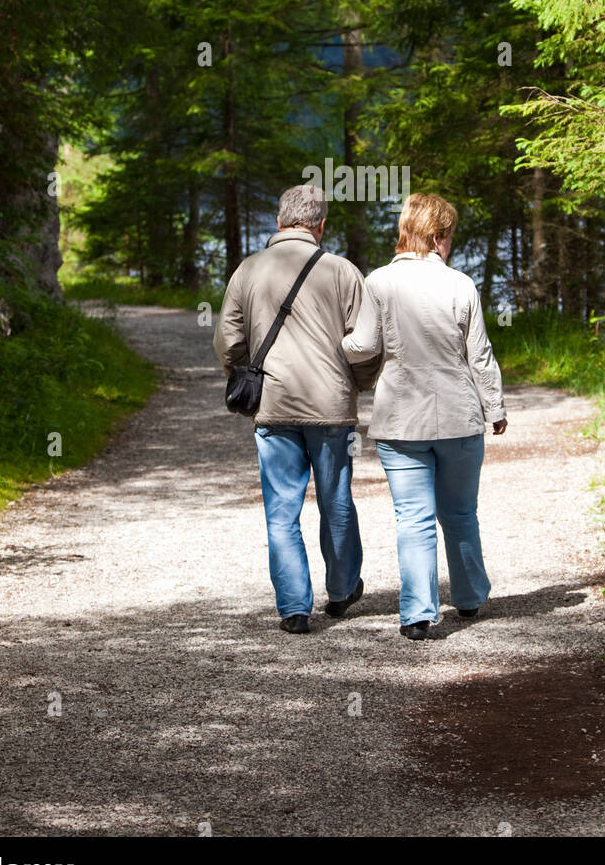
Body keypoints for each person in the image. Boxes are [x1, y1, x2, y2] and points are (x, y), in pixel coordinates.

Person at [214, 184, 380, 634]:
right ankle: (343, 590)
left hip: (273, 405)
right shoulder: (344, 271)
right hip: (331, 408)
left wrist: (242, 373)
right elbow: (368, 344)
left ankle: (293, 608)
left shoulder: (247, 270)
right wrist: (358, 385)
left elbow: (229, 341)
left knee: (280, 511)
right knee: (337, 501)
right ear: (321, 225)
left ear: (278, 221)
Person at [342, 192, 507, 640]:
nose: (449, 244)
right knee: (460, 513)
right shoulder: (461, 285)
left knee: (413, 517)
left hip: (401, 420)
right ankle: (470, 598)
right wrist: (495, 408)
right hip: (459, 417)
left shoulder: (377, 282)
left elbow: (365, 346)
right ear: (436, 237)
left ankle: (417, 613)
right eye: (448, 236)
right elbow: (481, 356)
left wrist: (336, 344)